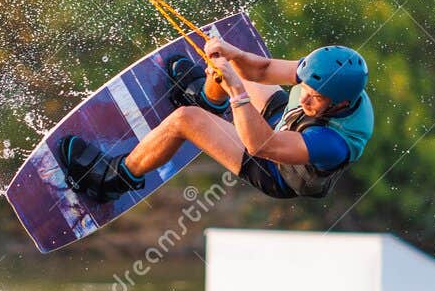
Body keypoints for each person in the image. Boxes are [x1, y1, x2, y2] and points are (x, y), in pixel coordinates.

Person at [57, 41, 372, 202]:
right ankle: (206, 98)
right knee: (239, 76)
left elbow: (261, 145)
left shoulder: (332, 144)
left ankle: (111, 181)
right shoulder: (321, 73)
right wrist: (234, 54)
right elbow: (261, 71)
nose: (304, 98)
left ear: (342, 103)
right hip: (284, 127)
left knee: (186, 120)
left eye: (315, 98)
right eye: (304, 87)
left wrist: (235, 87)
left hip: (277, 169)